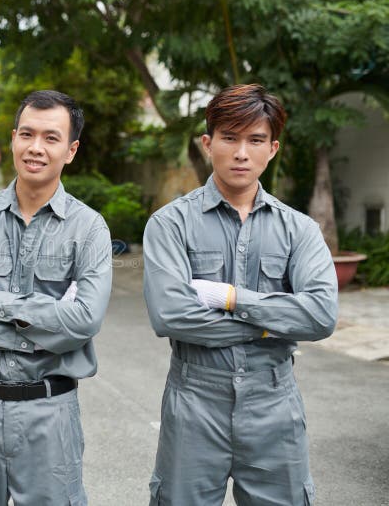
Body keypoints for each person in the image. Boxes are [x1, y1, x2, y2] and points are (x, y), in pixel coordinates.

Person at [143, 83, 338, 505]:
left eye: (256, 140)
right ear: (208, 143)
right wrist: (274, 326)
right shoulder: (170, 224)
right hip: (194, 399)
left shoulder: (299, 230)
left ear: (273, 149)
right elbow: (170, 316)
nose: (241, 153)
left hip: (274, 403)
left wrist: (232, 299)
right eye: (230, 138)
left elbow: (320, 316)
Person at [0, 90, 112, 506]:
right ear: (13, 138)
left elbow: (84, 320)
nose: (36, 147)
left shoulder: (88, 229)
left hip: (50, 412)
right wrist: (47, 323)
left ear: (71, 151)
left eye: (51, 138)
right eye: (27, 134)